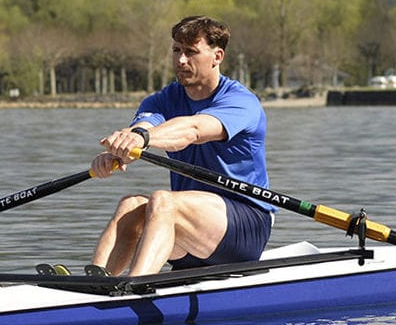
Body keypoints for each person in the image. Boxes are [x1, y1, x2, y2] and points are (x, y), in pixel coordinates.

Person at [90, 15, 272, 276]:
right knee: (131, 205)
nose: (180, 60)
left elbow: (192, 130)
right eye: (176, 50)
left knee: (163, 200)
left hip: (244, 227)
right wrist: (119, 149)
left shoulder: (241, 102)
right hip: (190, 230)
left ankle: (136, 288)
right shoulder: (163, 99)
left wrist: (141, 140)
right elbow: (141, 131)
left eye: (191, 52)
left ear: (217, 56)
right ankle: (94, 283)